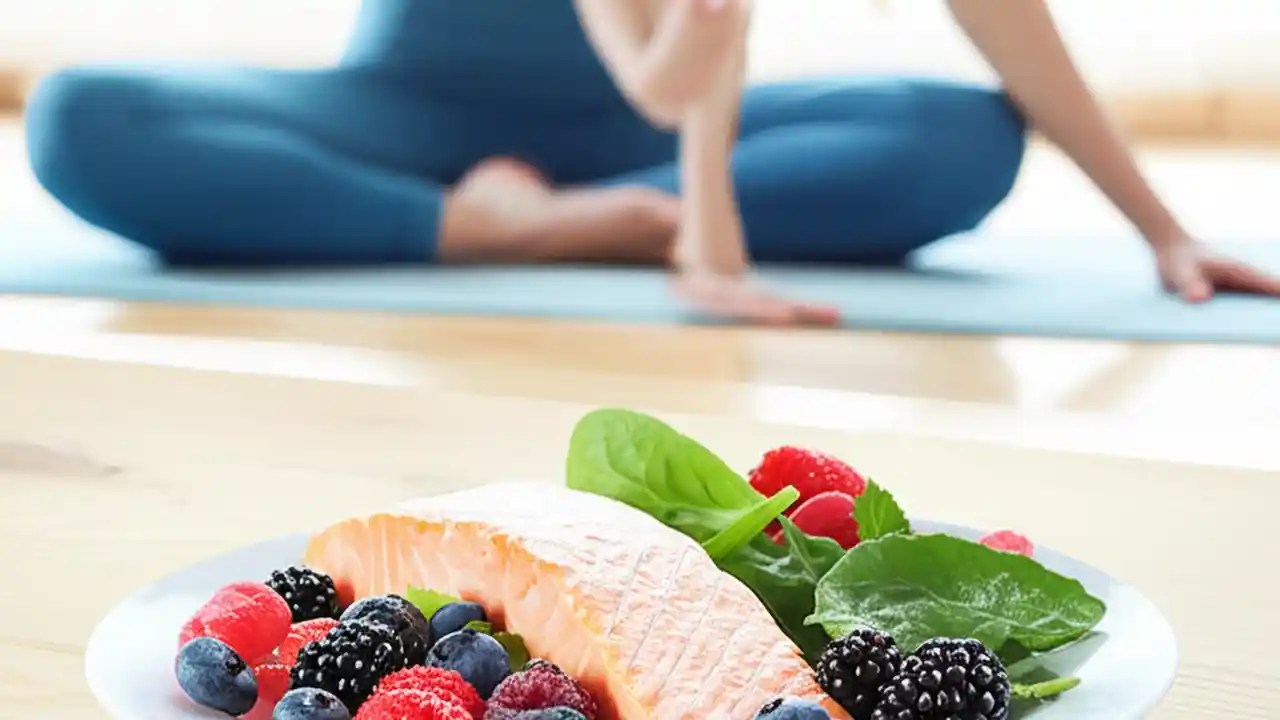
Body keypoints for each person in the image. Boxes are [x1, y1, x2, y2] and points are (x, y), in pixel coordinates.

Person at [25, 0, 1280, 326]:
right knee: (83, 116)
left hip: (650, 141)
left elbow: (677, 84)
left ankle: (587, 216)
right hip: (396, 117)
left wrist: (1157, 229)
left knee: (952, 137)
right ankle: (490, 229)